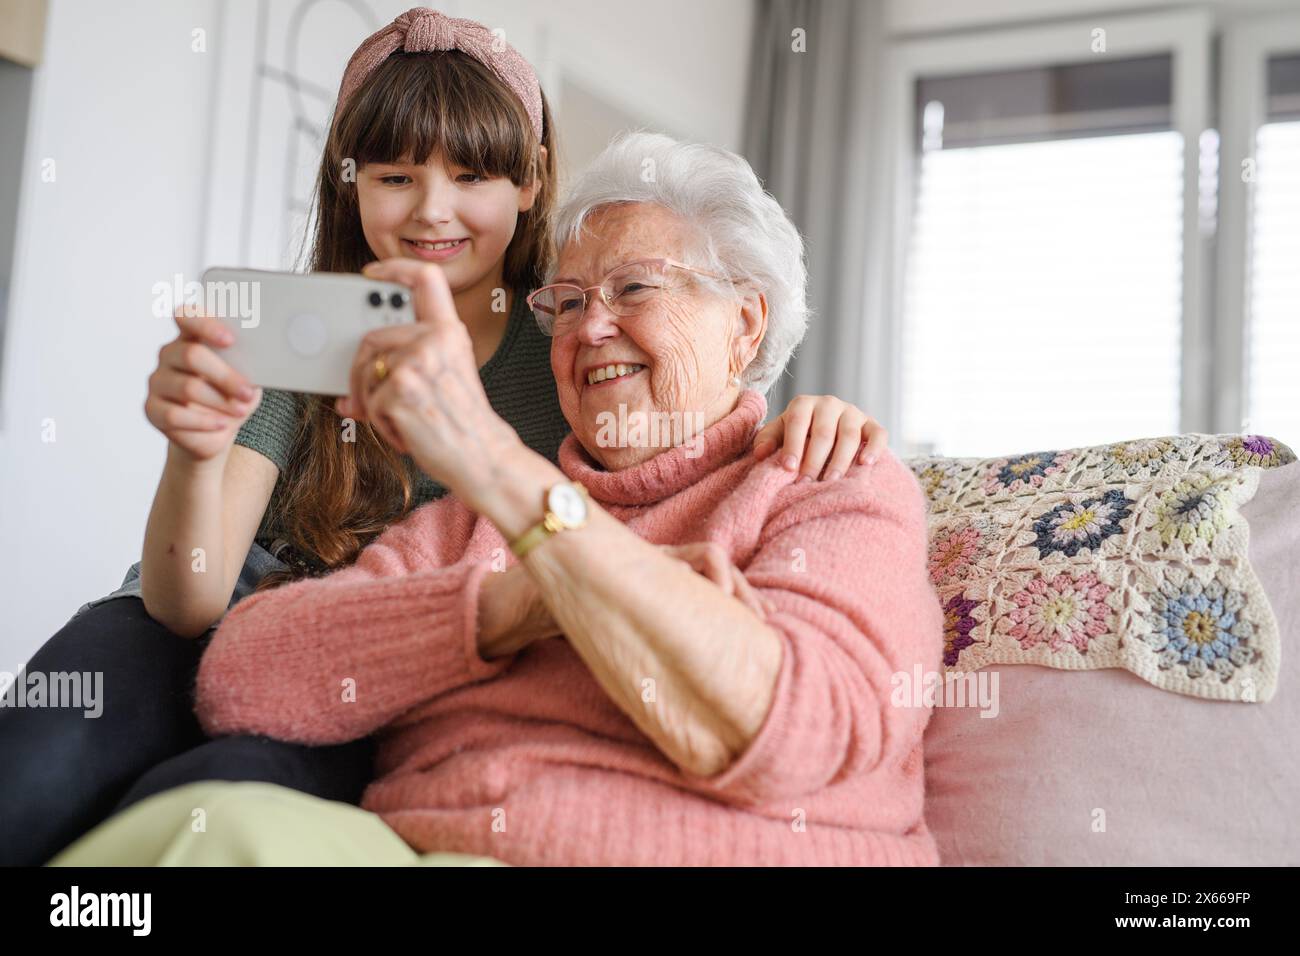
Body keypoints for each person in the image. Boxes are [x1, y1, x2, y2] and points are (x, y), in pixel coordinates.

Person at [0, 8, 886, 868]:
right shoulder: (309, 332)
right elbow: (192, 606)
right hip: (226, 625)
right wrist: (193, 453)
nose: (433, 212)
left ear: (530, 180)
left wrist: (807, 406)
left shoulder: (571, 350)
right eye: (394, 177)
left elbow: (693, 412)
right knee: (34, 778)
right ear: (351, 182)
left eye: (471, 177)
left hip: (367, 673)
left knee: (208, 800)